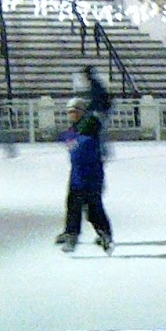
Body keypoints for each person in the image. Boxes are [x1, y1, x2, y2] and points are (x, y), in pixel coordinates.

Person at [57, 97, 112, 253]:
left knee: (92, 207)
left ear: (81, 112)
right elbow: (69, 139)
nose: (71, 115)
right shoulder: (77, 127)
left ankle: (103, 233)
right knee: (74, 204)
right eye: (69, 112)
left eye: (74, 111)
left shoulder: (89, 127)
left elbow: (82, 148)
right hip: (78, 174)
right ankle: (72, 233)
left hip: (90, 175)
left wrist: (71, 141)